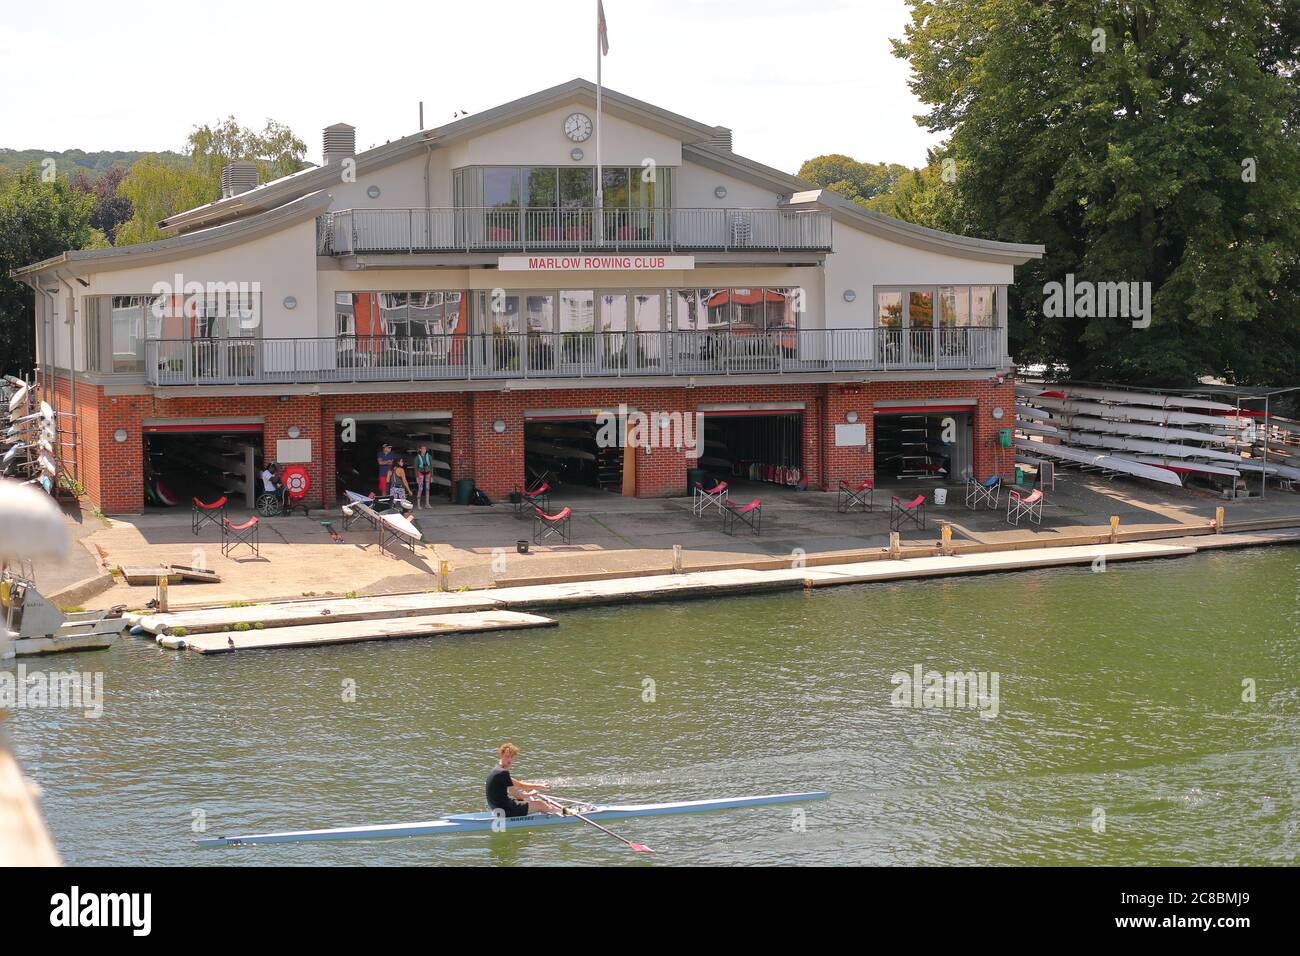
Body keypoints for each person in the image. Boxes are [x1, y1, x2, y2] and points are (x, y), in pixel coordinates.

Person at [486, 742, 554, 818]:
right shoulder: (503, 772)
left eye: (512, 757)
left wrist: (541, 786)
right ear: (501, 755)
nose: (509, 760)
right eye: (507, 756)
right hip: (506, 810)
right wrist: (530, 794)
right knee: (540, 804)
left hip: (497, 809)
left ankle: (551, 810)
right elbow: (515, 794)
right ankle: (564, 813)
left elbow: (520, 785)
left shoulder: (497, 770)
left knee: (522, 799)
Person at [414, 444, 434, 509]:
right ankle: (418, 504)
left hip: (428, 473)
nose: (424, 450)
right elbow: (415, 468)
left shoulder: (429, 456)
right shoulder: (417, 457)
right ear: (420, 450)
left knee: (428, 489)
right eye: (422, 449)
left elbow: (431, 467)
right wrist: (416, 477)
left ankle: (427, 504)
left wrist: (431, 476)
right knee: (420, 488)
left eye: (425, 449)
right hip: (420, 473)